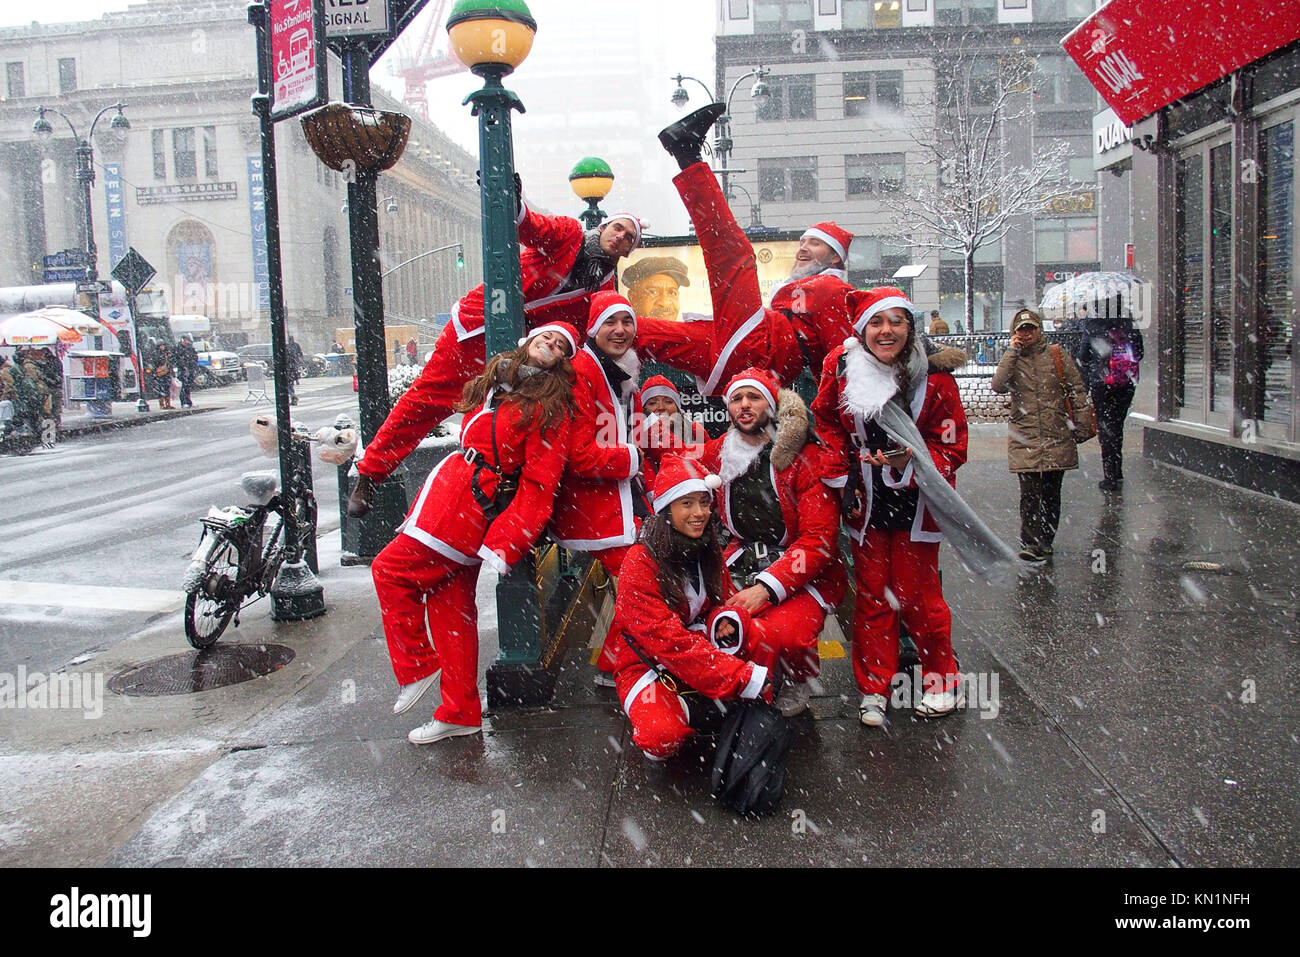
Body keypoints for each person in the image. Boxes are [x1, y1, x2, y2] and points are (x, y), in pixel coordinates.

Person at [346, 182, 643, 517]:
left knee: (499, 425)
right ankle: (370, 473)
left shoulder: (604, 288)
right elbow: (532, 227)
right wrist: (513, 202)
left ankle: (482, 508)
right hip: (476, 328)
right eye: (618, 228)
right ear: (603, 227)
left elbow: (591, 330)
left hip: (517, 354)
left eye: (629, 237)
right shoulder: (569, 234)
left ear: (629, 251)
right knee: (424, 403)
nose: (620, 237)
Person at [368, 323, 580, 745]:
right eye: (546, 337)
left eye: (561, 346)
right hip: (452, 495)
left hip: (463, 507)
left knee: (389, 571)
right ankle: (459, 711)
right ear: (528, 342)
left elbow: (540, 485)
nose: (551, 345)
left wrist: (508, 540)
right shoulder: (499, 383)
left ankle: (416, 664)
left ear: (562, 362)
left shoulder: (549, 409)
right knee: (451, 611)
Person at [812, 287, 973, 727]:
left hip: (918, 500)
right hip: (865, 500)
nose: (886, 331)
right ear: (861, 330)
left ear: (910, 327)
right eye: (876, 323)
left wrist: (912, 462)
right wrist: (841, 473)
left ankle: (944, 682)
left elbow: (953, 446)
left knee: (919, 597)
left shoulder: (935, 379)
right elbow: (825, 421)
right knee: (872, 597)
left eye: (896, 322)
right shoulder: (841, 368)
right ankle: (874, 688)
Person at [651, 104, 855, 393]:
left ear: (836, 256)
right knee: (640, 330)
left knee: (734, 256)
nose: (803, 249)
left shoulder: (835, 291)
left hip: (760, 349)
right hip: (745, 355)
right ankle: (584, 333)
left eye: (816, 243)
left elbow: (840, 357)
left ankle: (687, 152)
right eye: (803, 242)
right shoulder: (801, 289)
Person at [698, 368, 846, 717]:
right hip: (739, 557)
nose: (745, 406)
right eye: (737, 399)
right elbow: (678, 480)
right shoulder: (717, 452)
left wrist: (766, 588)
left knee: (780, 635)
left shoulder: (801, 457)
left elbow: (819, 540)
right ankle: (745, 680)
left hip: (801, 569)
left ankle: (798, 675)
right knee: (719, 624)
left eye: (754, 397)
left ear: (771, 404)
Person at [606, 454, 774, 760]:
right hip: (647, 665)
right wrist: (741, 677)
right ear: (666, 510)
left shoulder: (705, 548)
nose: (699, 513)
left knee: (756, 630)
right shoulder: (640, 562)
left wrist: (724, 619)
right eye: (687, 504)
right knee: (661, 739)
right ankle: (691, 708)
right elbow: (665, 639)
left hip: (694, 652)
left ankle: (695, 703)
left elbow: (719, 602)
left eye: (704, 502)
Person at [990, 308, 1089, 563]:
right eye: (1022, 329)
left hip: (1057, 433)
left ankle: (1046, 540)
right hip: (1026, 435)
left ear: (1039, 329)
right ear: (1015, 332)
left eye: (1031, 328)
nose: (1027, 333)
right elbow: (998, 385)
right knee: (1030, 494)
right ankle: (1031, 542)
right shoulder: (1013, 358)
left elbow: (1076, 389)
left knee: (1051, 492)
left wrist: (1082, 423)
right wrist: (1012, 352)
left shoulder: (1057, 355)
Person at [1075, 302, 1144, 493]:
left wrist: (1089, 379)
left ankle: (1110, 475)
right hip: (1125, 382)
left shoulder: (1092, 325)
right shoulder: (1129, 323)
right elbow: (1140, 353)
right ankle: (1117, 468)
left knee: (1106, 427)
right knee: (1117, 424)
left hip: (1101, 382)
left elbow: (1083, 357)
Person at [636, 374, 707, 488]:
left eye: (668, 401)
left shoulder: (695, 431)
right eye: (652, 403)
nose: (661, 407)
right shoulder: (637, 442)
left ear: (678, 407)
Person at [623, 255, 690, 321]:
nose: (664, 303)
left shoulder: (688, 329)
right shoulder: (622, 331)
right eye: (653, 292)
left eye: (672, 293)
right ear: (633, 298)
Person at [174, 335, 199, 409]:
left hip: (190, 370)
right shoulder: (178, 349)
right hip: (182, 370)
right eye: (184, 340)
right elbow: (176, 359)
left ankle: (188, 402)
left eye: (187, 340)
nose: (185, 341)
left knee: (188, 387)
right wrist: (181, 366)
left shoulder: (190, 348)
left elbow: (194, 357)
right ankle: (184, 402)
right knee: (183, 387)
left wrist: (193, 366)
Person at [286, 335, 304, 406]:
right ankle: (293, 397)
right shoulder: (294, 347)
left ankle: (293, 396)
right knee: (290, 385)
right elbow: (300, 353)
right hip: (292, 369)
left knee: (287, 386)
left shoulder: (287, 348)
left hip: (288, 371)